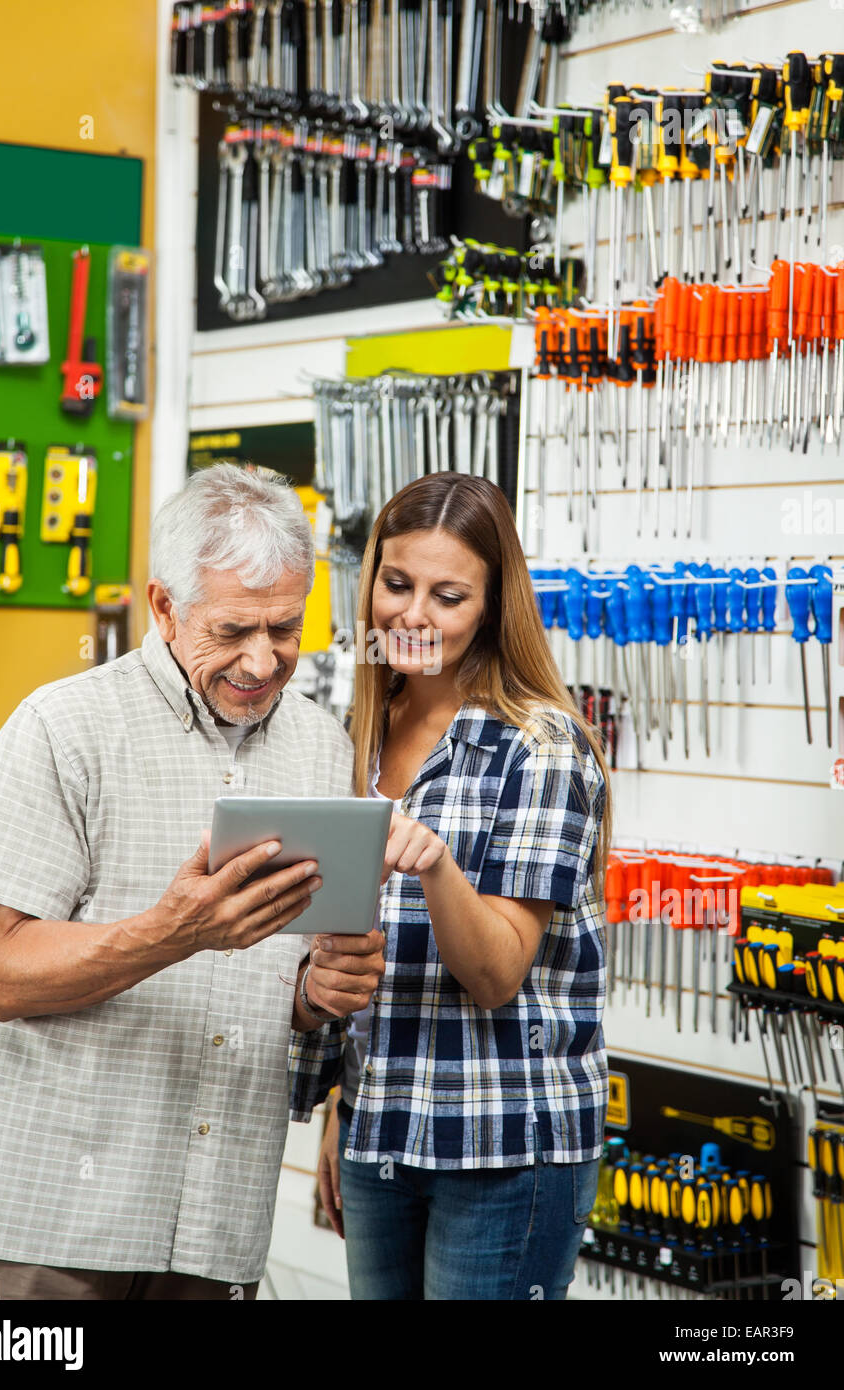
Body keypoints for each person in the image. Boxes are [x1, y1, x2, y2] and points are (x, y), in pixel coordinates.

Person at [0, 463, 384, 1301]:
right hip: (49, 1228)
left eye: (284, 628)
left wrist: (319, 993)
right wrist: (173, 934)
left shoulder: (323, 750)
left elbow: (270, 989)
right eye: (234, 629)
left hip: (214, 1230)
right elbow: (3, 974)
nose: (262, 659)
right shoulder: (63, 728)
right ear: (165, 606)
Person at [291, 471, 612, 1301]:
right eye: (396, 585)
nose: (413, 616)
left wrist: (437, 865)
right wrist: (341, 1109)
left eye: (449, 596)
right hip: (382, 1129)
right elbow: (350, 952)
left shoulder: (541, 744)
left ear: (491, 607)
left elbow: (498, 972)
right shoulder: (353, 732)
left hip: (503, 1143)